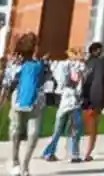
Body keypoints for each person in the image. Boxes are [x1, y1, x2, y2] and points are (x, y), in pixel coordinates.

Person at [3, 33, 48, 176]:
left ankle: (25, 166)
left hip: (36, 101)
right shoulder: (17, 63)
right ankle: (15, 160)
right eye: (35, 45)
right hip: (19, 99)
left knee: (33, 133)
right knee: (15, 131)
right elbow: (8, 82)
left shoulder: (42, 64)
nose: (37, 48)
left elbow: (46, 82)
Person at [42, 59, 83, 162]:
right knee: (74, 130)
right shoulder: (71, 70)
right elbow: (76, 83)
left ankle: (50, 153)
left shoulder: (64, 70)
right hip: (73, 106)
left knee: (59, 130)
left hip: (65, 106)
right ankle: (73, 154)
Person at [79, 42, 104, 162]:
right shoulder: (102, 64)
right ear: (97, 51)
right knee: (93, 128)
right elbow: (101, 82)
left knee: (78, 126)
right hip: (95, 99)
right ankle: (88, 153)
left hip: (83, 98)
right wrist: (99, 101)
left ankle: (75, 151)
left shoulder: (85, 64)